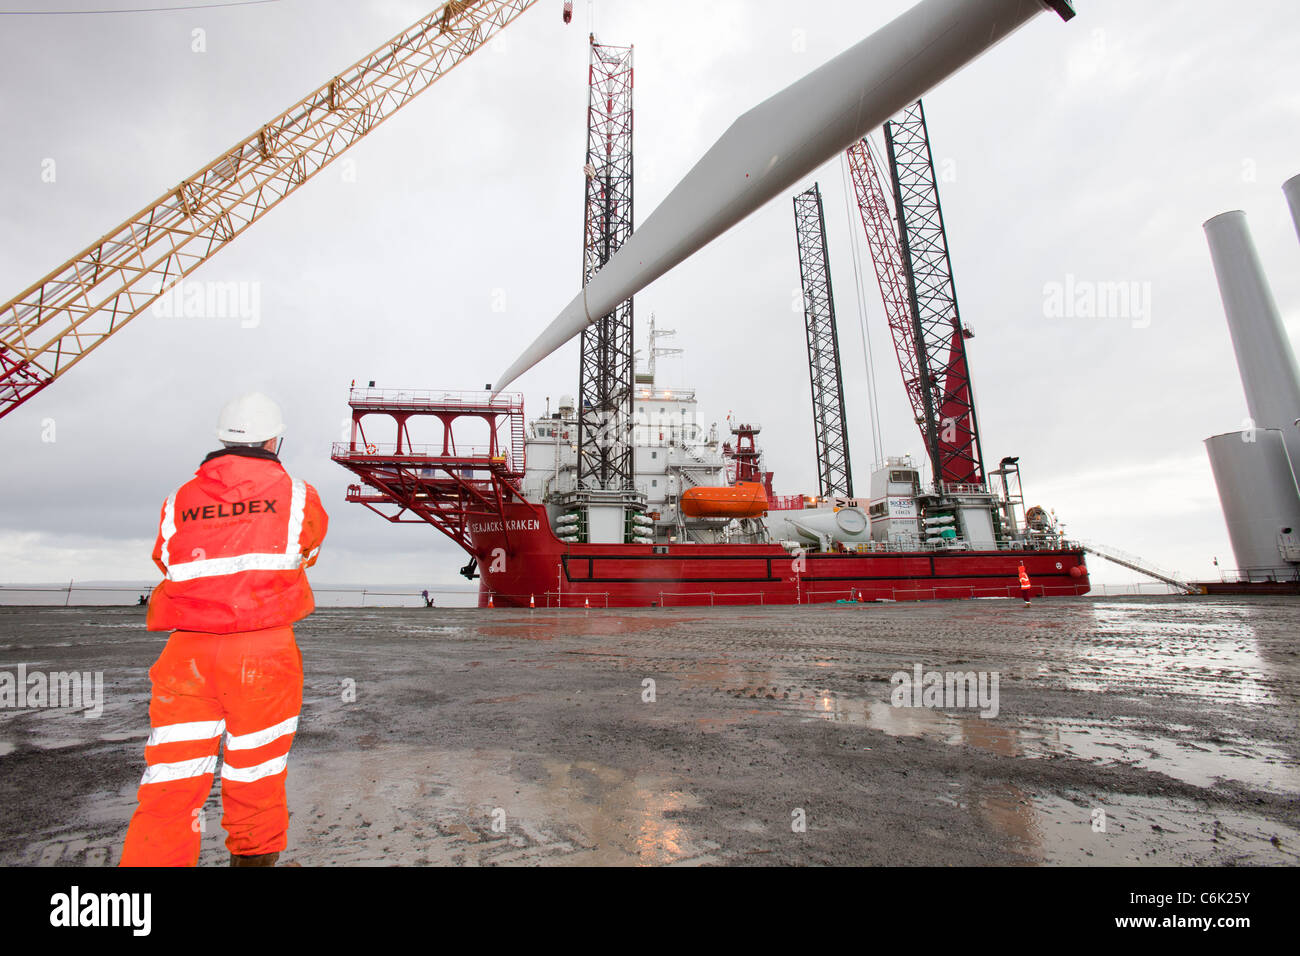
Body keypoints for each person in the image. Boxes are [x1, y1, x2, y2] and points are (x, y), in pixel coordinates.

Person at [120, 392, 328, 867]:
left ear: (222, 439)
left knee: (169, 784)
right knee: (255, 776)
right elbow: (306, 552)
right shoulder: (297, 494)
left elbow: (166, 559)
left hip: (186, 656)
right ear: (275, 440)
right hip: (262, 653)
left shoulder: (180, 498)